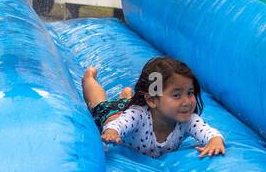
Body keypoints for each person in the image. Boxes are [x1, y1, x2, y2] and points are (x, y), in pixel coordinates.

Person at [82, 57, 226, 159]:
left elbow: (209, 132)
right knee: (98, 104)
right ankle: (89, 78)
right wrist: (111, 132)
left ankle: (126, 97)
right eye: (177, 95)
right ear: (152, 100)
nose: (187, 101)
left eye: (190, 93)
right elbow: (119, 124)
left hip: (131, 110)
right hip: (114, 114)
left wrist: (215, 141)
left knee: (127, 106)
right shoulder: (137, 115)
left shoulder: (188, 120)